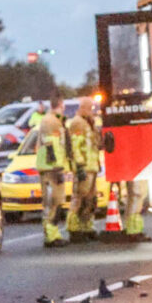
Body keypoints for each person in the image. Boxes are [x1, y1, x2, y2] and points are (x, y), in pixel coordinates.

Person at [35, 97, 69, 248]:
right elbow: (51, 146)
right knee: (52, 201)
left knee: (57, 201)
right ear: (59, 105)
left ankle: (53, 233)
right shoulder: (50, 122)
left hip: (52, 167)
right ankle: (51, 235)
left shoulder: (54, 120)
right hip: (51, 169)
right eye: (63, 106)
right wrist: (56, 167)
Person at [65, 97, 101, 243]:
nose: (93, 111)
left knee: (90, 200)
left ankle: (87, 226)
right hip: (84, 167)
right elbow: (75, 145)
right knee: (79, 197)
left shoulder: (89, 122)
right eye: (91, 108)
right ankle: (74, 228)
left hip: (92, 166)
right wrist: (79, 165)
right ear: (83, 108)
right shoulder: (78, 123)